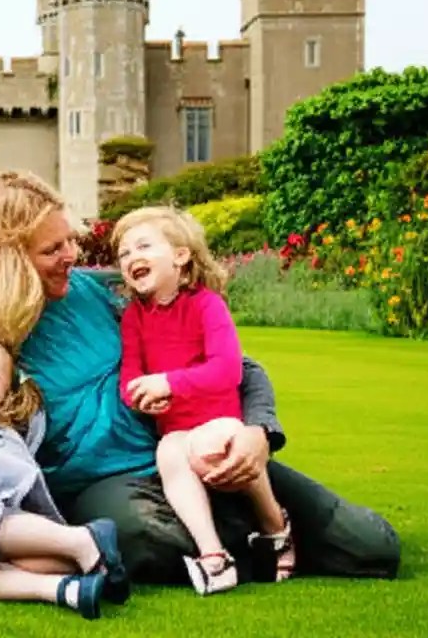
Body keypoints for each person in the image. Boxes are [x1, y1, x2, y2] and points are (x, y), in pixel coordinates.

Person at [0, 169, 401, 588]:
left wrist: (258, 433)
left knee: (373, 547)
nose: (73, 255)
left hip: (194, 446)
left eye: (69, 240)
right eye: (52, 249)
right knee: (141, 535)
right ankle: (260, 547)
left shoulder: (97, 294)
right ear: (6, 261)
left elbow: (238, 367)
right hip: (106, 487)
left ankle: (266, 537)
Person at [114, 205, 294, 595]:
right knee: (168, 452)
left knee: (211, 447)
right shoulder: (134, 317)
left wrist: (168, 383)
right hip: (177, 429)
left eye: (143, 245)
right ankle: (213, 556)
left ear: (180, 255)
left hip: (222, 422)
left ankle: (276, 527)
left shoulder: (206, 304)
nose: (131, 257)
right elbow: (130, 377)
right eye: (124, 253)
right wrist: (141, 398)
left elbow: (228, 371)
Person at [0, 331, 127, 620]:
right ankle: (63, 588)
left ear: (6, 392)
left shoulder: (0, 427)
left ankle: (81, 542)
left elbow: (22, 448)